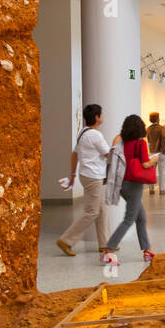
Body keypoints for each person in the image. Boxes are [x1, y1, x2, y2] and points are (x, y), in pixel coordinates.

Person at [101, 115, 159, 268]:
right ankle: (109, 250)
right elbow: (146, 164)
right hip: (134, 184)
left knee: (141, 217)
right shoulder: (140, 143)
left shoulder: (121, 143)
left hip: (122, 184)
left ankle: (147, 249)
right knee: (129, 219)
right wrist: (155, 160)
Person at [57, 103, 110, 257]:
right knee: (92, 212)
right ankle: (66, 240)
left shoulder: (83, 133)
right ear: (97, 117)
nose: (102, 116)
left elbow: (74, 155)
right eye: (101, 114)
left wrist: (72, 175)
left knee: (101, 210)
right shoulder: (95, 135)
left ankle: (105, 243)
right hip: (93, 176)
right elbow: (108, 154)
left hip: (86, 174)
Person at [146, 111, 165, 195]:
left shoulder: (148, 129)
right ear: (158, 118)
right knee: (161, 171)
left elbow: (148, 141)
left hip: (152, 152)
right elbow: (163, 140)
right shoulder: (162, 128)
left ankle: (151, 189)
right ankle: (161, 190)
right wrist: (161, 150)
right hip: (161, 152)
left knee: (151, 171)